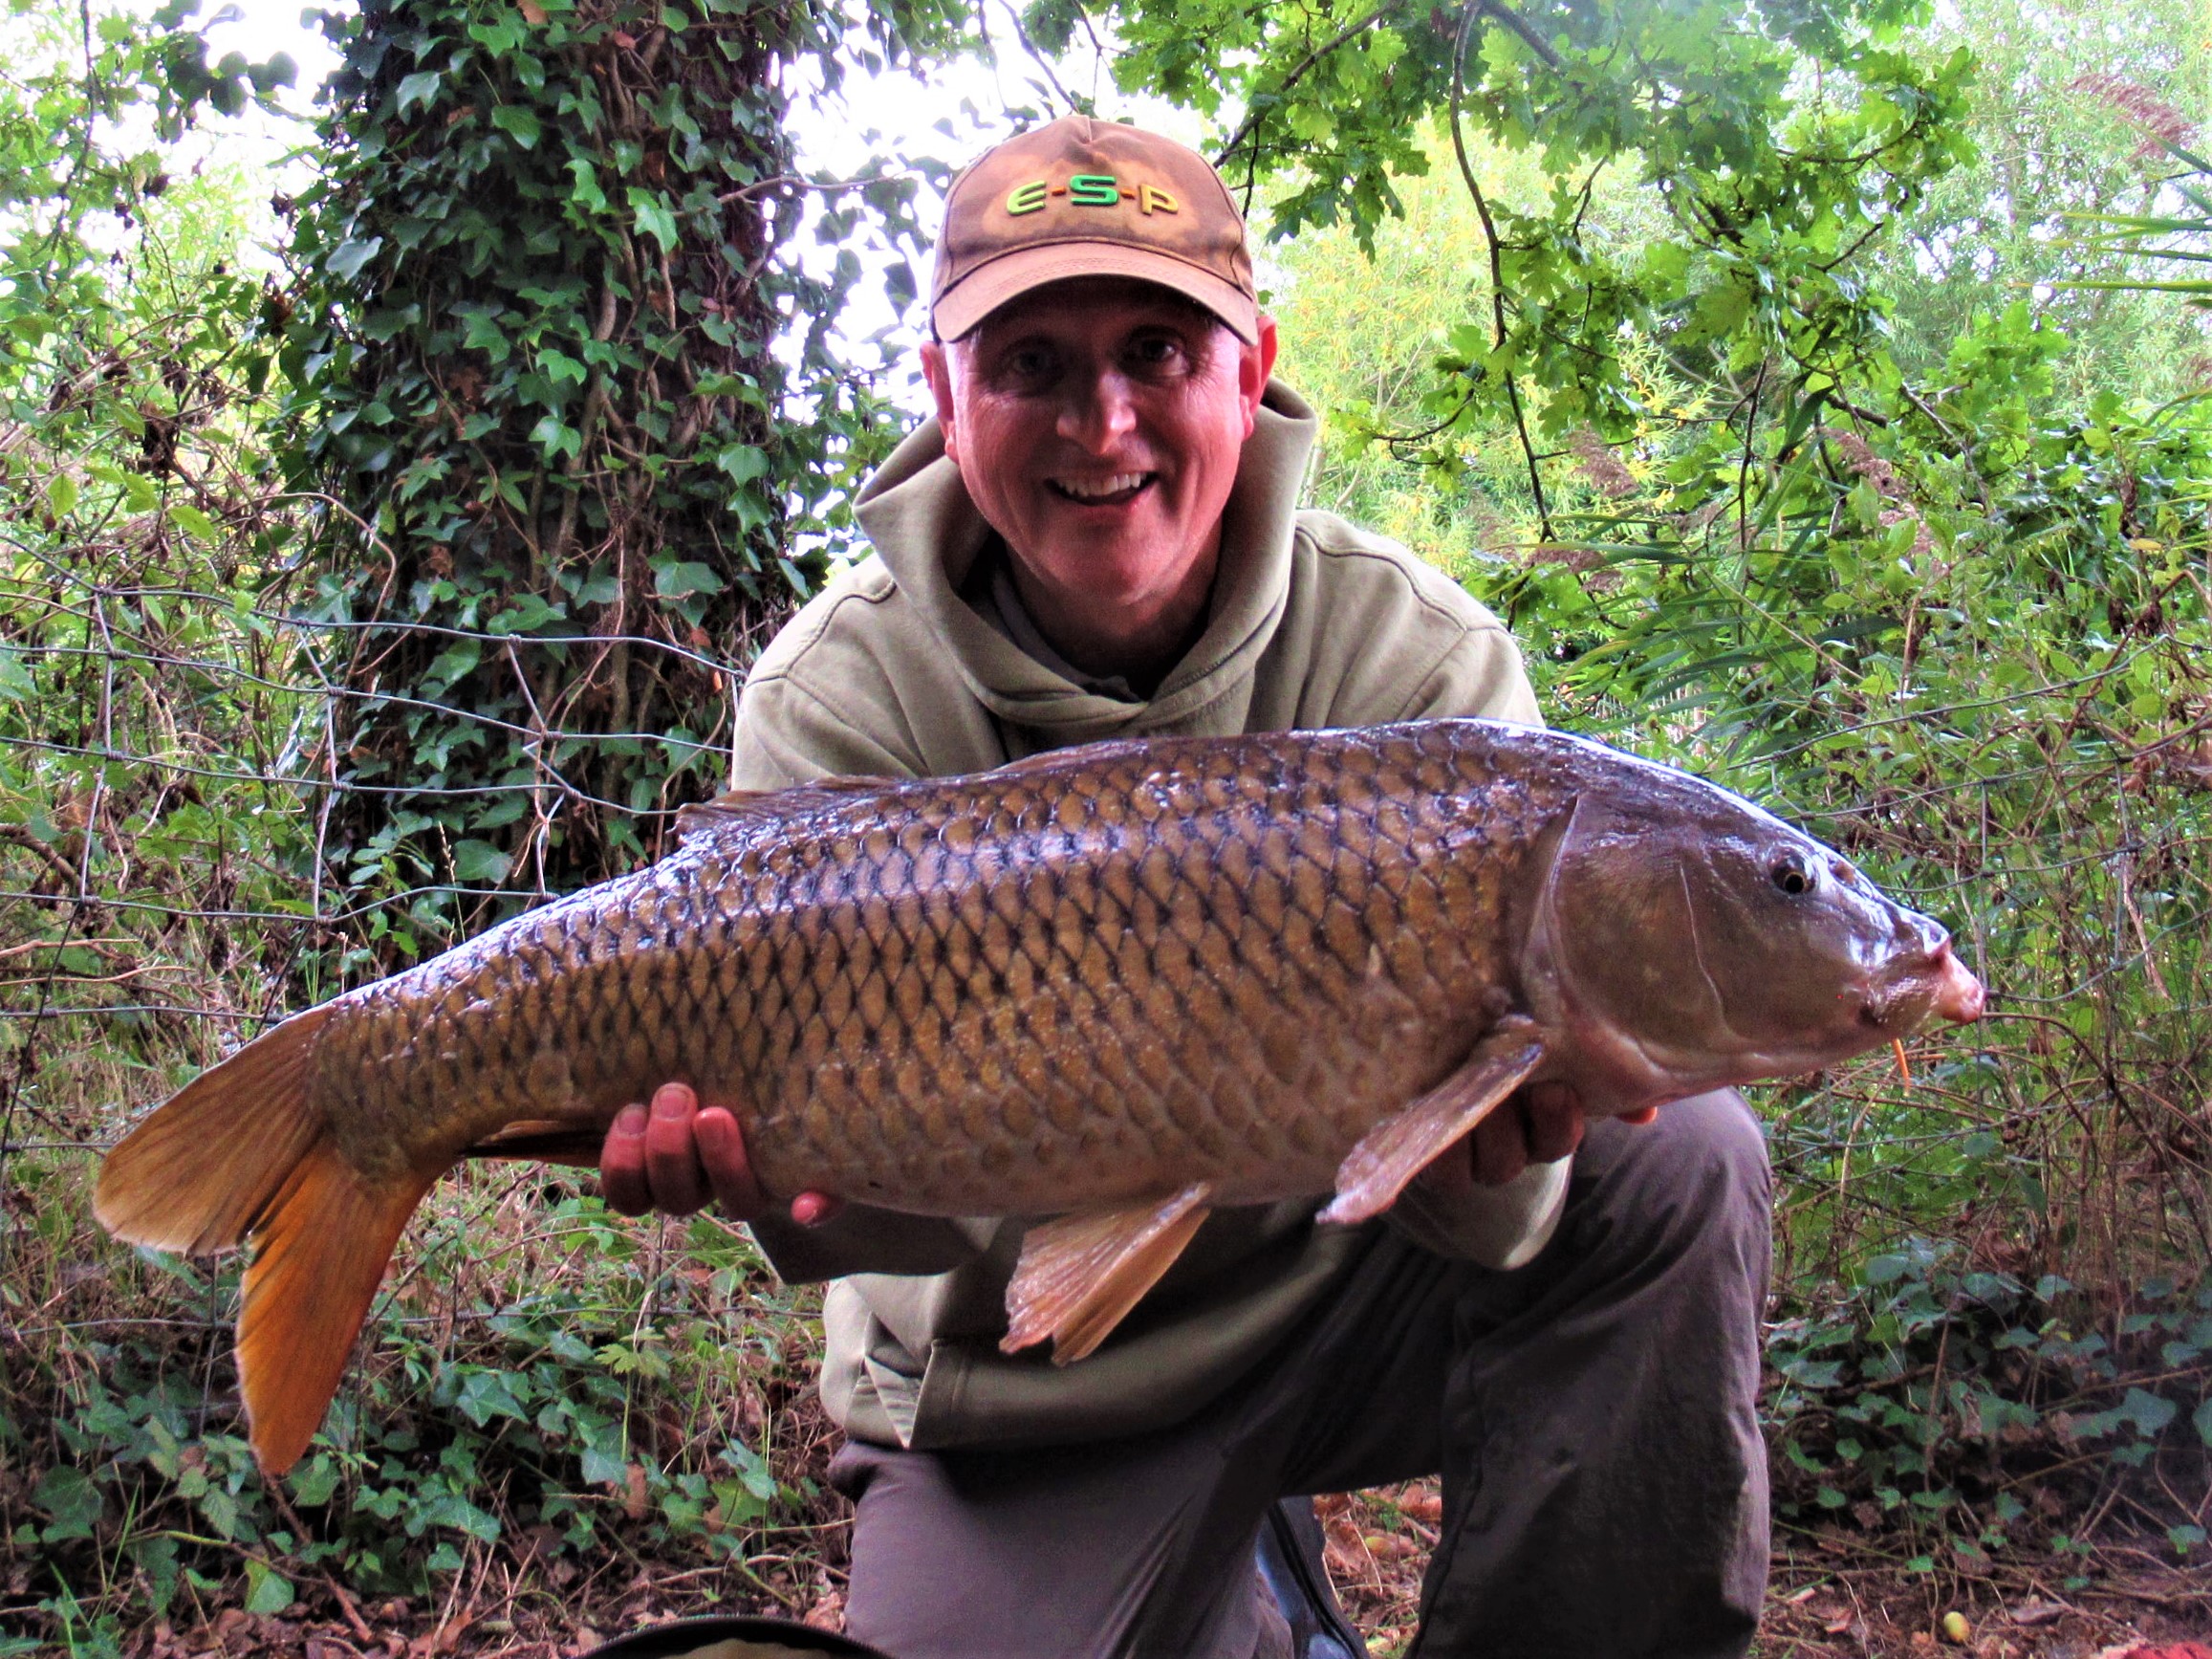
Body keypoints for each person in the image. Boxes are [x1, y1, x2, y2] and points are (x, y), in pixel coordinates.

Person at [597, 117, 1772, 1659]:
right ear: (945, 395)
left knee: (1676, 1149)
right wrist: (781, 1176)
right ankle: (1230, 1588)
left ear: (1250, 366)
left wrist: (1511, 1126)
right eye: (1029, 365)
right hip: (1024, 1386)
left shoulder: (1414, 661)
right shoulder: (841, 692)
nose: (1102, 426)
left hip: (1345, 1296)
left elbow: (1497, 1239)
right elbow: (885, 1242)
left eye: (1158, 350)